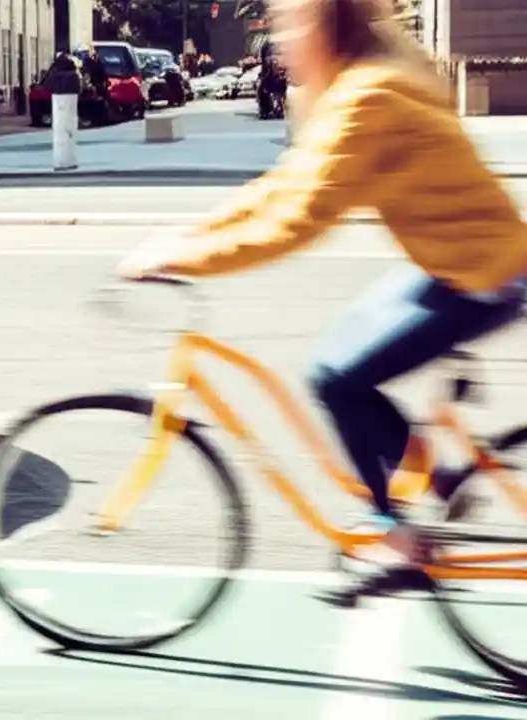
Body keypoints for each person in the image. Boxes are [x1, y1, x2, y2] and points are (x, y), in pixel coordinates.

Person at [117, 0, 527, 601]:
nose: (279, 43)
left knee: (336, 378)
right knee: (343, 351)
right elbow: (278, 190)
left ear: (326, 30)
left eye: (290, 27)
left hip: (487, 274)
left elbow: (295, 224)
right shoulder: (353, 95)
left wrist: (181, 259)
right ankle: (430, 479)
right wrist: (183, 238)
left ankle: (393, 531)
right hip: (451, 264)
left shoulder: (368, 100)